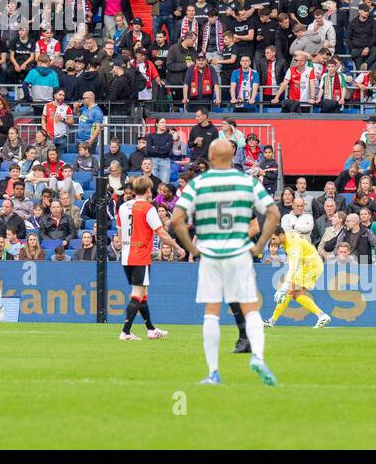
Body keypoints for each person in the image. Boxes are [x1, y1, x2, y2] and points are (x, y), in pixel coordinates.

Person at [169, 138, 281, 387]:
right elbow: (273, 213)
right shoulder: (247, 181)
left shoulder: (198, 183)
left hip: (210, 253)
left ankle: (213, 372)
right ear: (233, 156)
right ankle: (258, 357)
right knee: (251, 307)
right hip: (239, 252)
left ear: (209, 156)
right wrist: (260, 245)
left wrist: (192, 248)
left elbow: (177, 219)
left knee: (211, 311)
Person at [116, 176, 179, 341]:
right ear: (148, 190)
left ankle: (151, 330)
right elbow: (162, 233)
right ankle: (125, 331)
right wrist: (177, 247)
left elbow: (120, 232)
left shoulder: (122, 207)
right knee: (137, 293)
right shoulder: (148, 208)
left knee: (143, 293)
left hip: (127, 255)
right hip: (141, 255)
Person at [265, 214, 330, 328]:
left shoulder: (292, 245)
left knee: (289, 291)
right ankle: (322, 315)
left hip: (311, 266)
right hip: (310, 264)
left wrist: (283, 288)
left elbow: (293, 267)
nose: (273, 242)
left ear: (281, 235)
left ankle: (272, 321)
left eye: (274, 239)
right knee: (297, 295)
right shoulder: (286, 237)